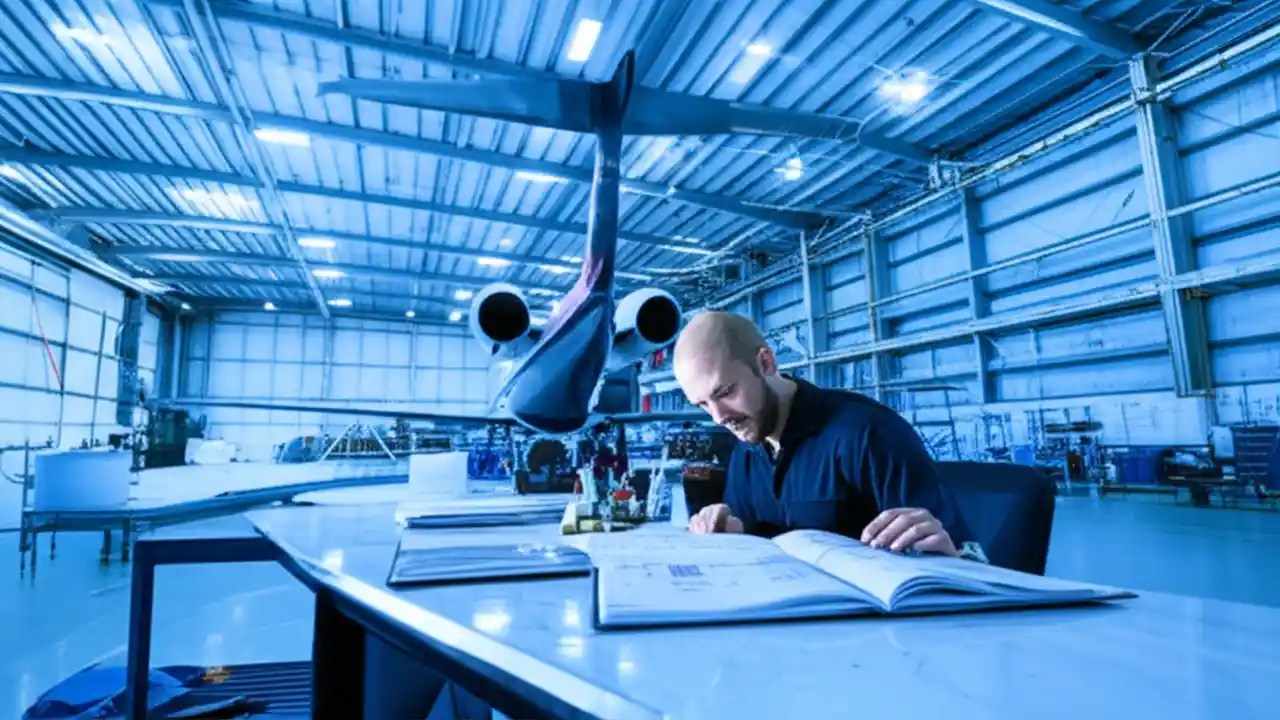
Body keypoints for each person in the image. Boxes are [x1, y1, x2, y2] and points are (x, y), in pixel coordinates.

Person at [672, 311, 985, 561]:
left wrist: (952, 553)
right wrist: (726, 529)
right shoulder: (746, 452)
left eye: (725, 392)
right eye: (702, 404)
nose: (718, 417)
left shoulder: (867, 433)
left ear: (765, 363)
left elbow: (971, 559)